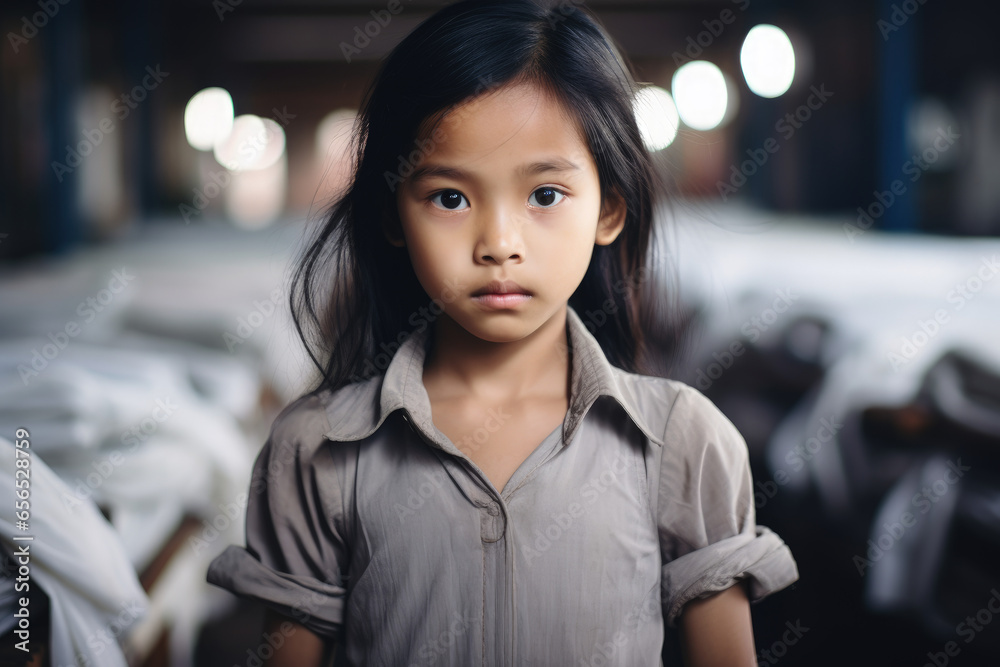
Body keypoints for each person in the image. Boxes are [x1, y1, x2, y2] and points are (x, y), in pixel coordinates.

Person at [206, 0, 799, 664]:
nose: (498, 243)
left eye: (545, 195)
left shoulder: (684, 442)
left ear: (608, 209)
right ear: (394, 217)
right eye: (450, 198)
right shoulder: (317, 451)